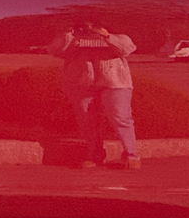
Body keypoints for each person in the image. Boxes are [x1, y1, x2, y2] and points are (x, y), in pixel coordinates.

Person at [48, 22, 140, 169]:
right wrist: (69, 34)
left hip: (115, 82)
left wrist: (107, 36)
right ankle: (95, 155)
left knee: (120, 116)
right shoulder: (72, 38)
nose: (89, 30)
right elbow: (55, 51)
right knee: (87, 120)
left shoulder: (118, 37)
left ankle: (130, 154)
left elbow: (127, 49)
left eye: (93, 26)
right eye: (85, 26)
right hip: (81, 83)